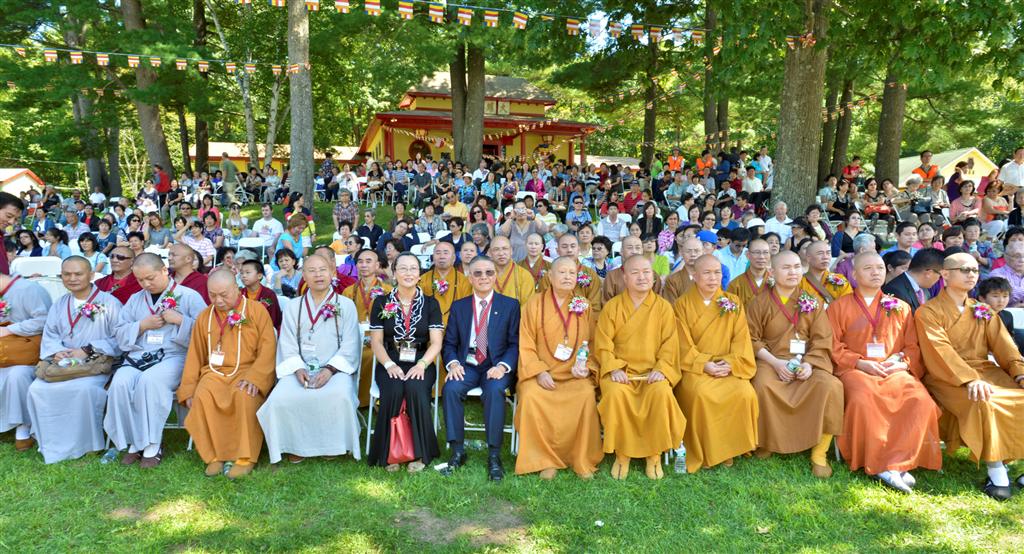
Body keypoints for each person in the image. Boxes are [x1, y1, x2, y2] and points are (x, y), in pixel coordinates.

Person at [826, 252, 943, 492]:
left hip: (893, 369)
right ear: (855, 275)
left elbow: (912, 345)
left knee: (919, 400)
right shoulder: (839, 307)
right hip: (856, 370)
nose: (875, 272)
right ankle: (881, 464)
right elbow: (832, 345)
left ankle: (899, 463)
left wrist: (902, 363)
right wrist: (859, 363)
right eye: (868, 268)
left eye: (879, 267)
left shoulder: (899, 307)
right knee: (863, 400)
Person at [915, 253, 1024, 500]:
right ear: (945, 275)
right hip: (947, 377)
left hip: (986, 370)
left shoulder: (982, 310)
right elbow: (940, 351)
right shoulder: (928, 312)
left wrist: (1019, 374)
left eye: (975, 270)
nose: (971, 274)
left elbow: (1005, 347)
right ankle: (997, 472)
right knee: (985, 402)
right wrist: (969, 379)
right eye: (964, 270)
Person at [746, 250, 844, 478]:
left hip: (807, 362)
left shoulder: (812, 302)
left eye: (797, 267)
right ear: (772, 272)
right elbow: (750, 338)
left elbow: (822, 339)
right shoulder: (759, 303)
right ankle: (767, 441)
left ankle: (819, 452)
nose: (793, 272)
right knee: (762, 386)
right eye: (786, 267)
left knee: (831, 386)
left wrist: (810, 364)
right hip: (769, 360)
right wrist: (775, 363)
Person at [257, 255, 362, 465]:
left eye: (322, 270)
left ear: (332, 272)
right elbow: (286, 341)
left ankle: (334, 444)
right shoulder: (294, 306)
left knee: (339, 395)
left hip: (335, 369)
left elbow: (351, 343)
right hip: (301, 368)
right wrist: (297, 368)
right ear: (303, 275)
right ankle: (294, 445)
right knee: (280, 398)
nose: (318, 275)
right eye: (311, 271)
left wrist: (330, 369)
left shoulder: (346, 305)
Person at [105, 254, 206, 468]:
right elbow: (120, 332)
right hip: (140, 354)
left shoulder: (188, 296)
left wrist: (180, 320)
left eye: (150, 278)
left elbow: (207, 331)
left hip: (174, 355)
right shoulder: (135, 299)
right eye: (140, 280)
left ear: (164, 271)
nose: (146, 284)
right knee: (120, 383)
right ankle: (133, 442)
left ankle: (152, 444)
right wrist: (142, 325)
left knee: (150, 381)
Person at [177, 269, 277, 479]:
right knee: (202, 395)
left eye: (224, 294)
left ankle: (245, 457)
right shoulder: (205, 316)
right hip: (214, 372)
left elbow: (269, 348)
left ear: (237, 288)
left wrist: (256, 377)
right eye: (213, 295)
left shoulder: (256, 311)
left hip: (247, 371)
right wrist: (188, 388)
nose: (218, 300)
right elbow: (195, 353)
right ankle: (214, 456)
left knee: (243, 395)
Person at [595, 255, 686, 480]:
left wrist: (662, 369)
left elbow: (670, 344)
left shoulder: (663, 308)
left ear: (654, 276)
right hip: (620, 374)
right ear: (624, 277)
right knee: (616, 394)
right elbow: (602, 343)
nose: (642, 277)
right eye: (635, 273)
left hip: (651, 374)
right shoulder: (613, 307)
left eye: (646, 272)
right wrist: (614, 369)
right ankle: (622, 453)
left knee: (661, 393)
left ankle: (654, 454)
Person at [25, 257, 122, 463]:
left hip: (93, 366)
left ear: (91, 275)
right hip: (63, 364)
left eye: (78, 274)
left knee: (84, 390)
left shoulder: (110, 303)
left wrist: (88, 349)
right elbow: (50, 335)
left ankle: (87, 443)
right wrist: (57, 352)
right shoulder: (59, 304)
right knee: (37, 389)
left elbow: (120, 338)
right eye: (67, 274)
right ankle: (50, 441)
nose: (72, 278)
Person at [514, 256, 602, 479]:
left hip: (574, 375)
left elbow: (592, 343)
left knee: (585, 394)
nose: (567, 277)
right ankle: (545, 459)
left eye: (572, 273)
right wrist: (538, 371)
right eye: (562, 272)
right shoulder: (534, 303)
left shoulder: (584, 306)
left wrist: (585, 367)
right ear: (550, 276)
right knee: (532, 396)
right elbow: (525, 342)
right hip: (541, 374)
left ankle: (578, 457)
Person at [673, 255, 758, 473]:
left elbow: (741, 339)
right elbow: (681, 344)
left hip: (727, 365)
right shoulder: (682, 304)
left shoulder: (733, 301)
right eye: (707, 273)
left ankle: (731, 449)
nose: (713, 278)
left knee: (744, 393)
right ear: (695, 276)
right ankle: (709, 450)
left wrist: (730, 363)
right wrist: (704, 365)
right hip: (695, 368)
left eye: (717, 273)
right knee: (701, 394)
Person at [441, 256, 520, 481]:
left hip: (495, 366)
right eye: (478, 273)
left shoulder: (510, 305)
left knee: (495, 391)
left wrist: (504, 366)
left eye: (489, 272)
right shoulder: (459, 307)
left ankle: (494, 455)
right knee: (451, 389)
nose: (484, 277)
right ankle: (457, 451)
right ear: (469, 276)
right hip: (467, 365)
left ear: (496, 275)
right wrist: (453, 363)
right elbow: (449, 343)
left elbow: (515, 342)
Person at [367, 253, 444, 472]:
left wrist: (422, 365)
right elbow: (377, 342)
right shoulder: (381, 302)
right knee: (392, 389)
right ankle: (388, 452)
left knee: (416, 388)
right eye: (403, 268)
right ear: (394, 272)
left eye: (413, 269)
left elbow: (436, 343)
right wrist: (389, 364)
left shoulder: (431, 304)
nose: (408, 273)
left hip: (421, 360)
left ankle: (420, 453)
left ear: (420, 274)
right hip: (390, 359)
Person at [0, 273, 52, 452]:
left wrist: (10, 329)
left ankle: (23, 428)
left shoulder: (29, 289)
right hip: (4, 350)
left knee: (17, 375)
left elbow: (45, 320)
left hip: (28, 353)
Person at [341, 249, 391, 407]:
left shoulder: (388, 291)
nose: (364, 265)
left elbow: (393, 322)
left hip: (381, 339)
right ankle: (357, 398)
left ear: (377, 265)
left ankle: (375, 399)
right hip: (355, 337)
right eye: (360, 261)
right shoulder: (349, 291)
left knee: (372, 354)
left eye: (368, 261)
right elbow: (344, 321)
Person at [537, 233, 603, 313]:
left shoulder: (590, 274)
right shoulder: (550, 276)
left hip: (583, 320)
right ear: (557, 251)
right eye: (564, 247)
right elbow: (542, 303)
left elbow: (595, 307)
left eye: (573, 246)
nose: (569, 250)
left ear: (578, 250)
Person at [418, 241, 471, 327]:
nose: (442, 256)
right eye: (438, 253)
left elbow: (467, 310)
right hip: (429, 328)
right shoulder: (423, 280)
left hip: (455, 329)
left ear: (454, 258)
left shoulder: (464, 281)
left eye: (446, 253)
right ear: (433, 257)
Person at [882, 248, 945, 312]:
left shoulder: (924, 290)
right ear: (929, 273)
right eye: (940, 276)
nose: (939, 279)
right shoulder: (894, 291)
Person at [602, 236, 661, 302]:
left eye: (637, 248)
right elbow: (607, 304)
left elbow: (658, 303)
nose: (634, 251)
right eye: (630, 248)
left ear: (642, 251)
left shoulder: (653, 275)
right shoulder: (612, 276)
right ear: (621, 251)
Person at [801, 240, 852, 305]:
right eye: (820, 253)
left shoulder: (840, 280)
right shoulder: (800, 282)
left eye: (828, 253)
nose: (825, 257)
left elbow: (849, 304)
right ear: (808, 258)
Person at [489, 236, 536, 304]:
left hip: (516, 314)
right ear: (490, 253)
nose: (501, 253)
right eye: (496, 249)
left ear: (511, 251)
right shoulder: (483, 276)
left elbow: (527, 306)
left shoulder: (524, 276)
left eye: (505, 249)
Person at [239, 260, 282, 332]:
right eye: (241, 273)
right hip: (243, 331)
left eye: (247, 272)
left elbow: (273, 318)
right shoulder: (239, 294)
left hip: (265, 331)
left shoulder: (269, 294)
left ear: (259, 275)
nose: (243, 276)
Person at [727, 238, 773, 305]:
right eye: (757, 252)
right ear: (748, 255)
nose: (762, 257)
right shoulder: (735, 284)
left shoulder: (778, 282)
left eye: (766, 252)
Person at [661, 237, 705, 304]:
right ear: (681, 253)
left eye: (696, 251)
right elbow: (670, 307)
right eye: (688, 251)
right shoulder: (673, 280)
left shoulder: (711, 277)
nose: (693, 254)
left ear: (703, 252)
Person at [989, 242, 1024, 307]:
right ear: (1006, 257)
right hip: (1002, 315)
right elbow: (1008, 293)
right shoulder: (996, 274)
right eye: (1017, 256)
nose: (1022, 260)